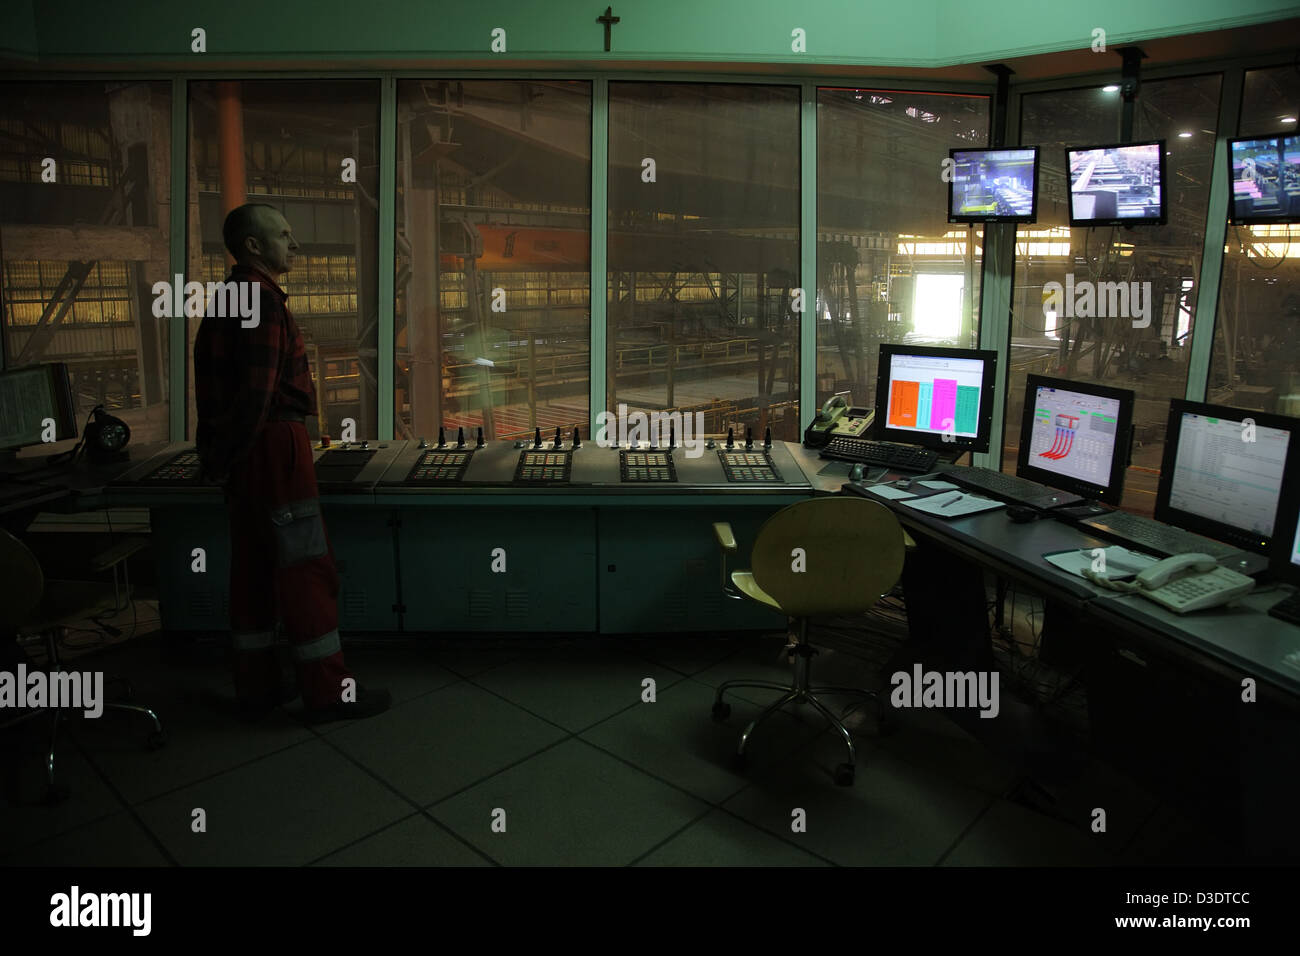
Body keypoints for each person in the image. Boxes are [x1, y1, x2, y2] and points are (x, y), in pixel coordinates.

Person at [195, 202, 390, 722]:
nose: (295, 245)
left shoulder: (226, 298)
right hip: (273, 445)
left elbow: (217, 395)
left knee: (253, 570)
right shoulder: (261, 301)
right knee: (307, 568)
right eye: (284, 235)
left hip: (243, 456)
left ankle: (256, 688)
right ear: (254, 246)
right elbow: (258, 395)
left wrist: (218, 459)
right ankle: (328, 692)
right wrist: (245, 453)